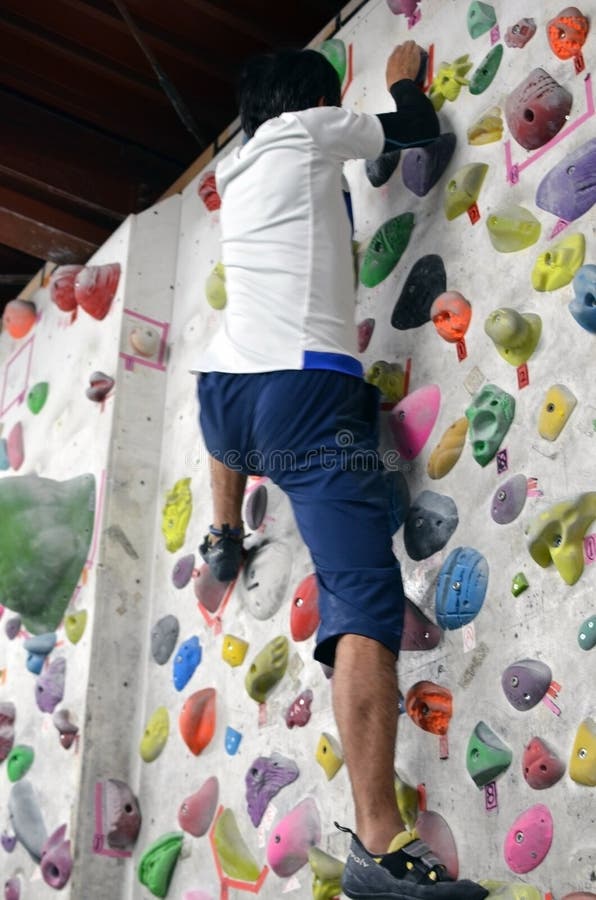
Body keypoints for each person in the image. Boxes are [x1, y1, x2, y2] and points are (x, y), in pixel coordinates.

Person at [195, 41, 488, 898]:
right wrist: (399, 78)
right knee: (363, 599)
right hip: (305, 396)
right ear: (313, 99)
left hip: (225, 399)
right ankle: (379, 845)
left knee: (242, 381)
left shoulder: (238, 168)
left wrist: (228, 535)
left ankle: (219, 531)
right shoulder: (307, 129)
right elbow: (414, 129)